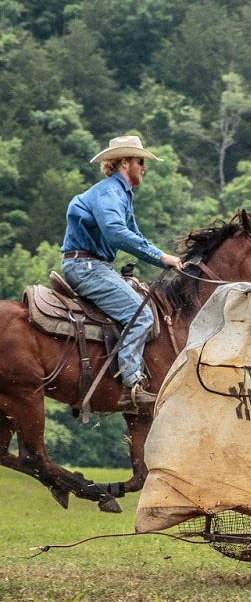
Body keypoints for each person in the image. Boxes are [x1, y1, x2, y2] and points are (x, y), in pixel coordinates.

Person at [60, 135, 184, 406]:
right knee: (140, 316)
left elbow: (135, 236)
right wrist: (162, 257)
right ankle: (131, 383)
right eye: (140, 161)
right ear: (124, 162)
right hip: (87, 267)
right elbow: (116, 232)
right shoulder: (109, 193)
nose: (143, 167)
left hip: (92, 265)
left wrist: (163, 259)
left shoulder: (120, 194)